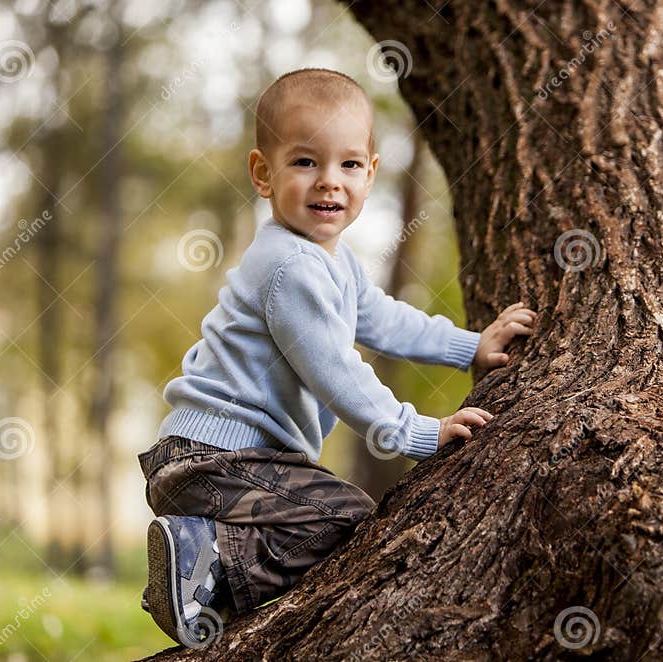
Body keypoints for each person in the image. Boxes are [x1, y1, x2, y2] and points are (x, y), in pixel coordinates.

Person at [137, 67, 538, 647]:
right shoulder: (290, 268)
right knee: (343, 514)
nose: (330, 182)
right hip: (215, 458)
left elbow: (379, 318)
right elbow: (336, 373)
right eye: (305, 163)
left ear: (370, 174)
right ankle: (207, 561)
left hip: (226, 462)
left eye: (349, 164)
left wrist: (468, 346)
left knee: (334, 510)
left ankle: (205, 575)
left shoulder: (331, 259)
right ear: (263, 173)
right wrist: (417, 431)